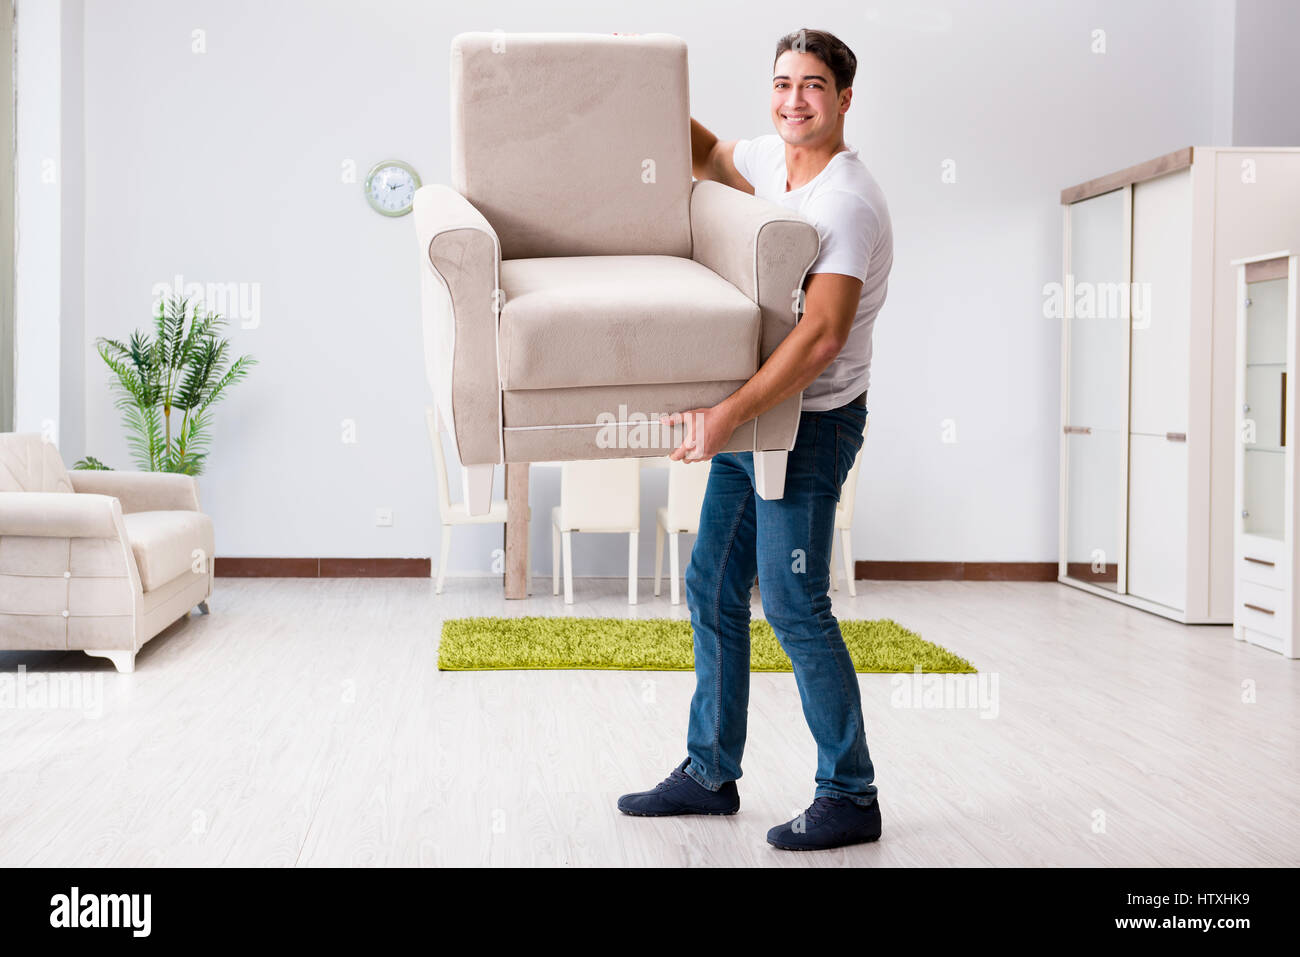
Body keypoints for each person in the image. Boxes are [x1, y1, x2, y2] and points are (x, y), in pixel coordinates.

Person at [616, 27, 894, 851]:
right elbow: (704, 152)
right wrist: (638, 85)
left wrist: (725, 416)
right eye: (781, 84)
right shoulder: (773, 164)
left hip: (812, 418)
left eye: (812, 86)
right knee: (711, 585)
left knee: (795, 601)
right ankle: (710, 772)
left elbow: (821, 338)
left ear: (845, 98)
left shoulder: (845, 200)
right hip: (761, 408)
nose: (793, 100)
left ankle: (851, 792)